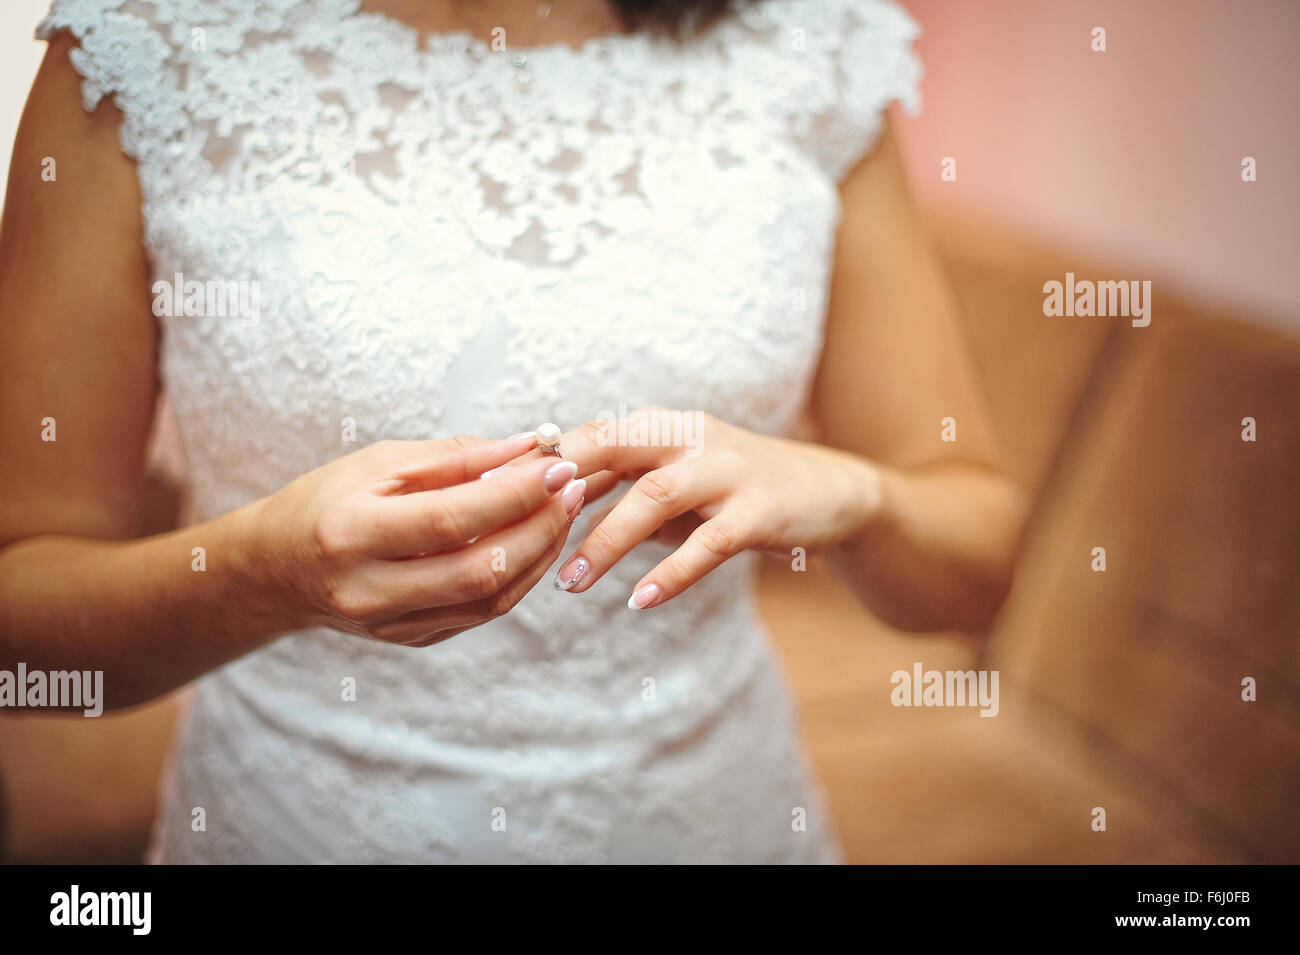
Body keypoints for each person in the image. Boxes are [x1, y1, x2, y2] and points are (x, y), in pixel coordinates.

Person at [0, 0, 1024, 863]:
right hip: (296, 825)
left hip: (719, 820)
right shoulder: (143, 41)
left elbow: (974, 558)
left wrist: (852, 494)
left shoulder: (809, 45)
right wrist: (262, 576)